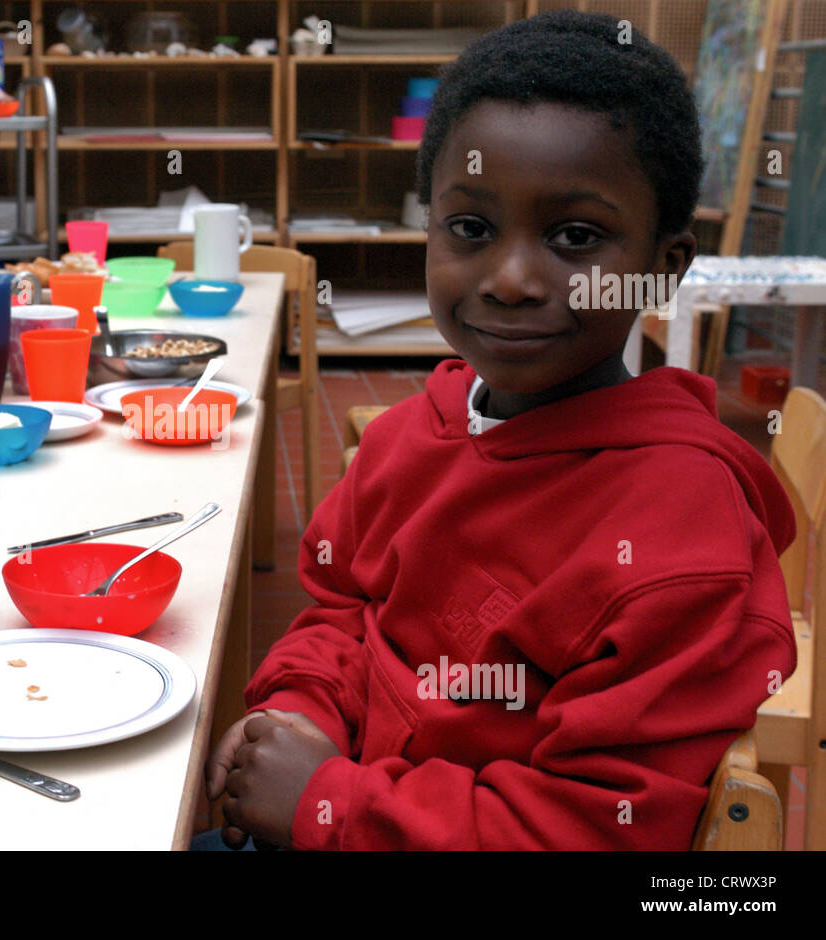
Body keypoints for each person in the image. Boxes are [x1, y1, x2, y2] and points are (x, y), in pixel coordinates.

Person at [202, 10, 797, 851]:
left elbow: (593, 828)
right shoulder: (416, 435)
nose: (511, 279)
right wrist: (301, 710)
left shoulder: (678, 541)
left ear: (664, 268)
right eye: (471, 229)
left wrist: (330, 805)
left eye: (575, 237)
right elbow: (343, 611)